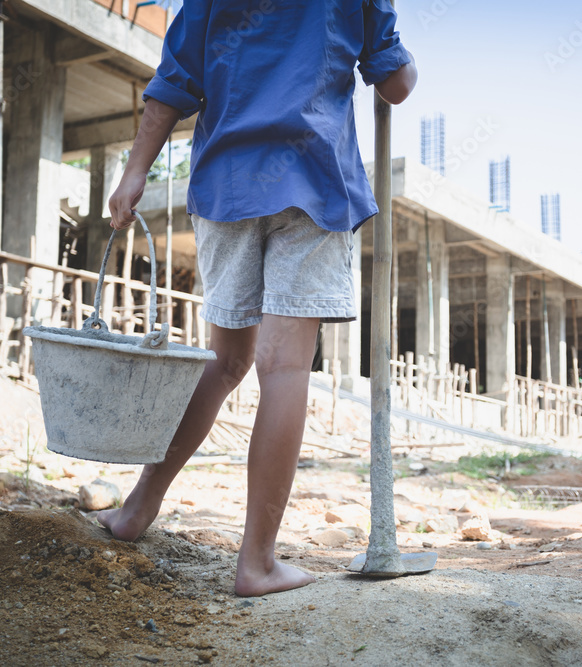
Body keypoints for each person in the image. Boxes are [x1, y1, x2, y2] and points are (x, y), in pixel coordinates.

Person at [97, 1, 417, 598]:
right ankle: (258, 564)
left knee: (226, 362)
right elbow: (395, 84)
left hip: (230, 182)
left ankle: (136, 510)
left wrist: (136, 170)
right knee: (284, 367)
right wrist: (401, 58)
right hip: (314, 178)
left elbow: (174, 79)